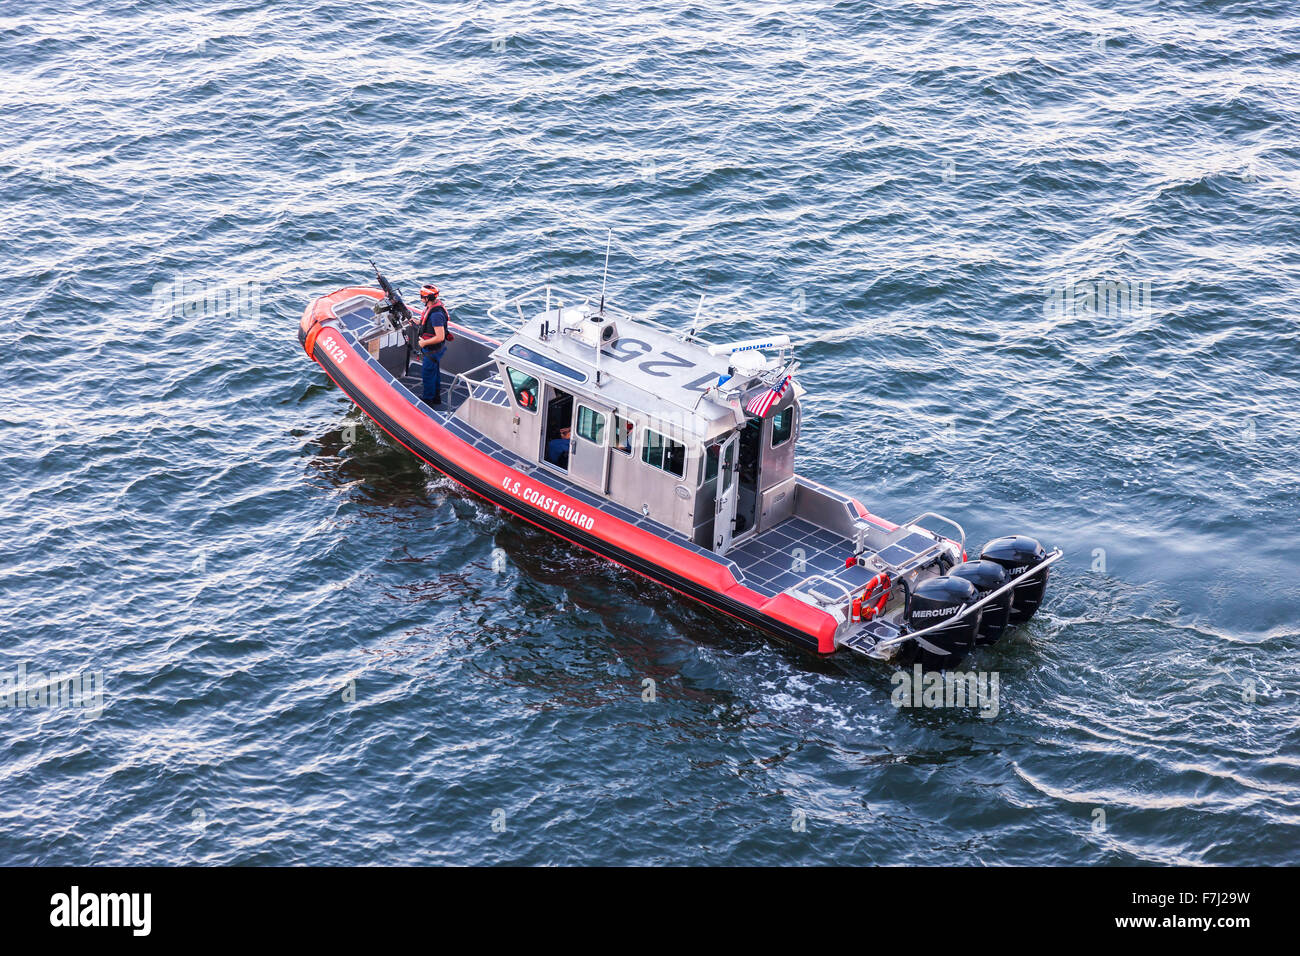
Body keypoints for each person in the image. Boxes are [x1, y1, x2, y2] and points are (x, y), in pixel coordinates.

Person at [415, 284, 449, 406]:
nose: (420, 299)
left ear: (428, 298)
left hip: (432, 350)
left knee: (428, 375)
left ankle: (428, 400)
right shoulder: (433, 308)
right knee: (435, 373)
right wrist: (417, 322)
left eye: (422, 296)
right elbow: (427, 325)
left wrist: (424, 342)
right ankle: (436, 398)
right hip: (435, 350)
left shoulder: (436, 315)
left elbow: (440, 336)